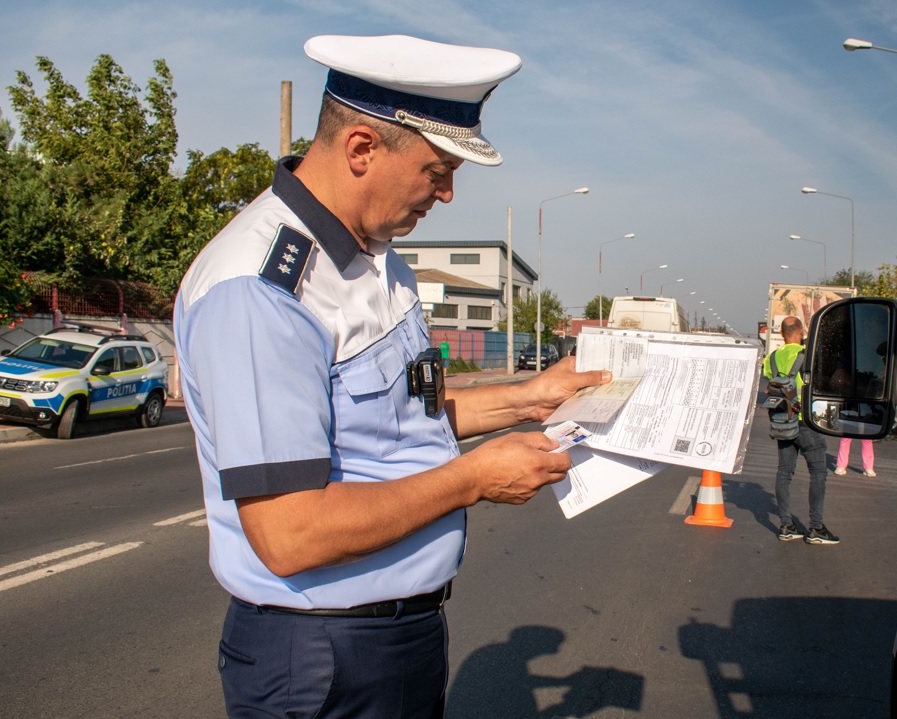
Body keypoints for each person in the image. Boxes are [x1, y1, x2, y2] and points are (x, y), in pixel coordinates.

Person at [173, 34, 612, 718]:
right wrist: (471, 479)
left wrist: (531, 398)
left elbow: (405, 415)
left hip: (396, 634)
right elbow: (290, 533)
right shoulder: (263, 291)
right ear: (359, 149)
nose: (446, 192)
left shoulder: (377, 260)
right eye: (436, 170)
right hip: (320, 654)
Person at [763, 316, 838, 545]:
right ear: (802, 331)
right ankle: (816, 528)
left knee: (784, 473)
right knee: (818, 473)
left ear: (782, 332)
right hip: (806, 421)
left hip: (782, 422)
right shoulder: (809, 355)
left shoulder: (771, 359)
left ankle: (786, 526)